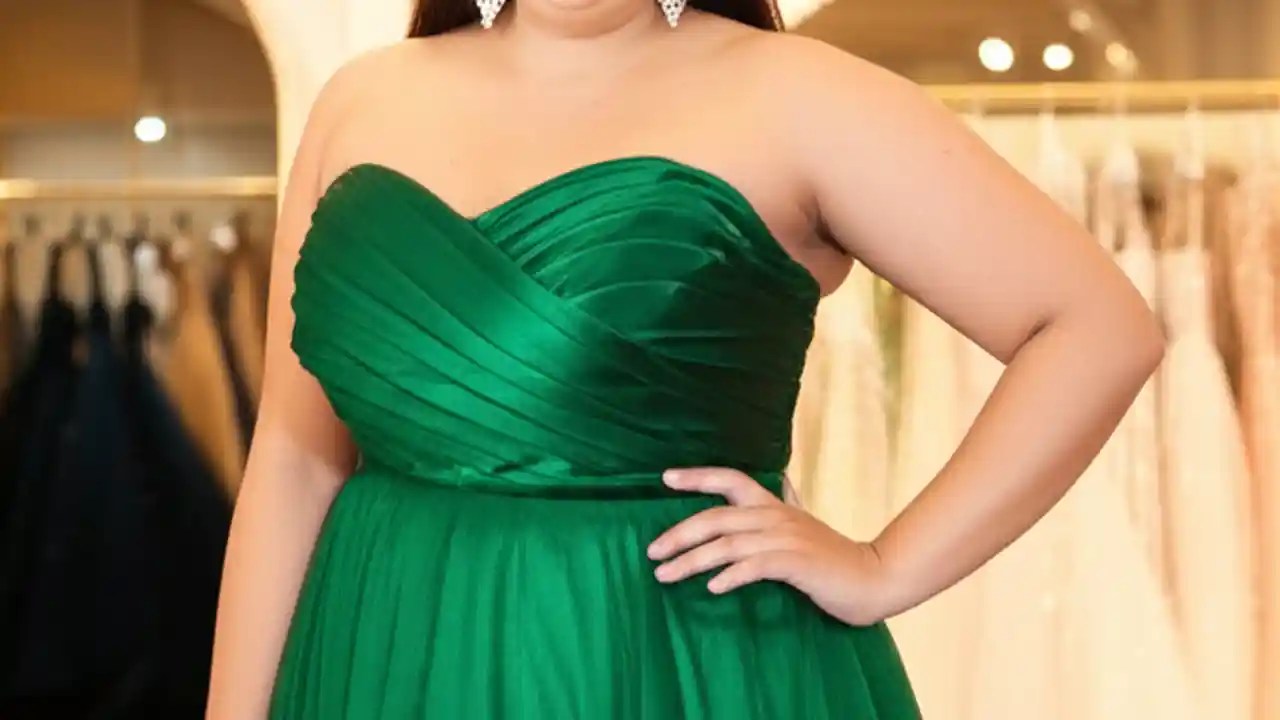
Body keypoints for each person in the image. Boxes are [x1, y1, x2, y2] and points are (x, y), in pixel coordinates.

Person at [204, 0, 1166, 716]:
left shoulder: (800, 97)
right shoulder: (362, 98)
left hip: (673, 657)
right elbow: (294, 461)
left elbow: (1096, 327)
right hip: (384, 645)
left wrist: (885, 566)